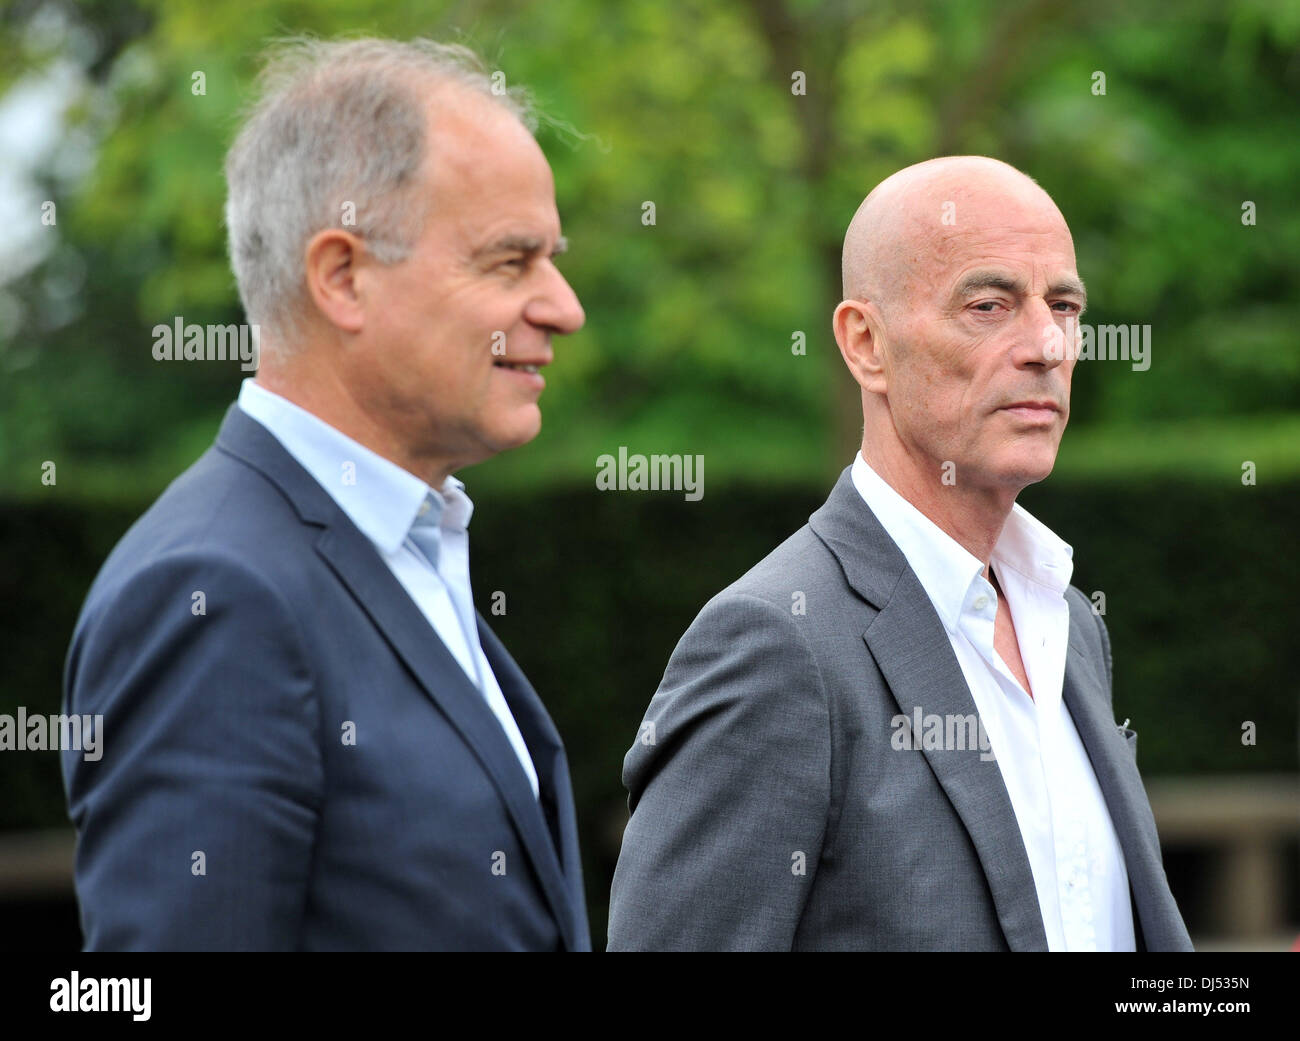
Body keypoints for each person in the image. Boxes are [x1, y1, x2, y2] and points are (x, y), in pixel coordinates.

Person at [61, 37, 589, 951]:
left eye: (553, 258)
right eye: (512, 262)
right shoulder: (215, 594)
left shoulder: (407, 540)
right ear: (342, 277)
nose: (564, 306)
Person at [608, 156, 1192, 952]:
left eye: (1064, 304)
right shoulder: (775, 644)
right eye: (989, 305)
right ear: (865, 343)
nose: (1047, 345)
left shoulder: (1071, 626)